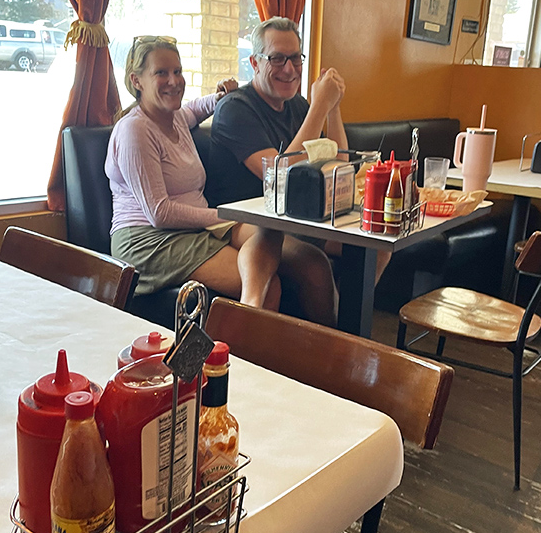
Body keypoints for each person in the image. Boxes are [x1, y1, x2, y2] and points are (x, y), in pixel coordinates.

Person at [208, 17, 390, 322]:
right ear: (254, 62)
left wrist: (333, 107)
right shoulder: (235, 109)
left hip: (297, 218)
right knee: (314, 263)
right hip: (245, 226)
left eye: (295, 58)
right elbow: (277, 178)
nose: (289, 69)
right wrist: (319, 106)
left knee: (378, 243)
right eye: (277, 58)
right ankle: (331, 348)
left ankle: (344, 328)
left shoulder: (297, 106)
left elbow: (339, 170)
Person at [105, 35, 281, 310]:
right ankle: (240, 341)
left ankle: (250, 321)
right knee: (266, 284)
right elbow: (159, 212)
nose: (174, 81)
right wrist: (223, 216)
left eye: (177, 71)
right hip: (148, 238)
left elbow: (195, 109)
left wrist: (221, 97)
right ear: (137, 81)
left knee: (267, 232)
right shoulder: (134, 130)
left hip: (191, 228)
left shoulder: (174, 118)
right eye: (161, 73)